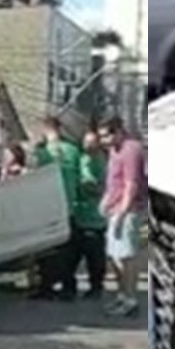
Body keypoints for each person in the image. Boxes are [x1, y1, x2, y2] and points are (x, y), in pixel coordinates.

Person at [31, 116, 83, 301]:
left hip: (47, 207)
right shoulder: (73, 151)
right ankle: (69, 287)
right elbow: (80, 180)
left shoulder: (42, 153)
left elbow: (33, 179)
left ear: (45, 130)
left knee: (46, 250)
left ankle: (46, 286)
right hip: (68, 205)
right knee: (67, 250)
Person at [98, 116, 145, 318]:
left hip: (128, 210)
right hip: (114, 207)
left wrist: (122, 213)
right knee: (114, 256)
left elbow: (131, 184)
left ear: (118, 131)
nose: (104, 140)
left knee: (126, 256)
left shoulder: (131, 149)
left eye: (107, 135)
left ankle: (131, 299)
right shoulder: (114, 151)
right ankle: (122, 294)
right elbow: (114, 182)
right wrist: (106, 201)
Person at [74, 128, 110, 299]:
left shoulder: (100, 162)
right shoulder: (81, 159)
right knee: (74, 254)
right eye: (85, 141)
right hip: (80, 215)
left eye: (91, 142)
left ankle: (97, 287)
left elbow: (103, 189)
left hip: (95, 218)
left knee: (95, 257)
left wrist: (88, 188)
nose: (87, 145)